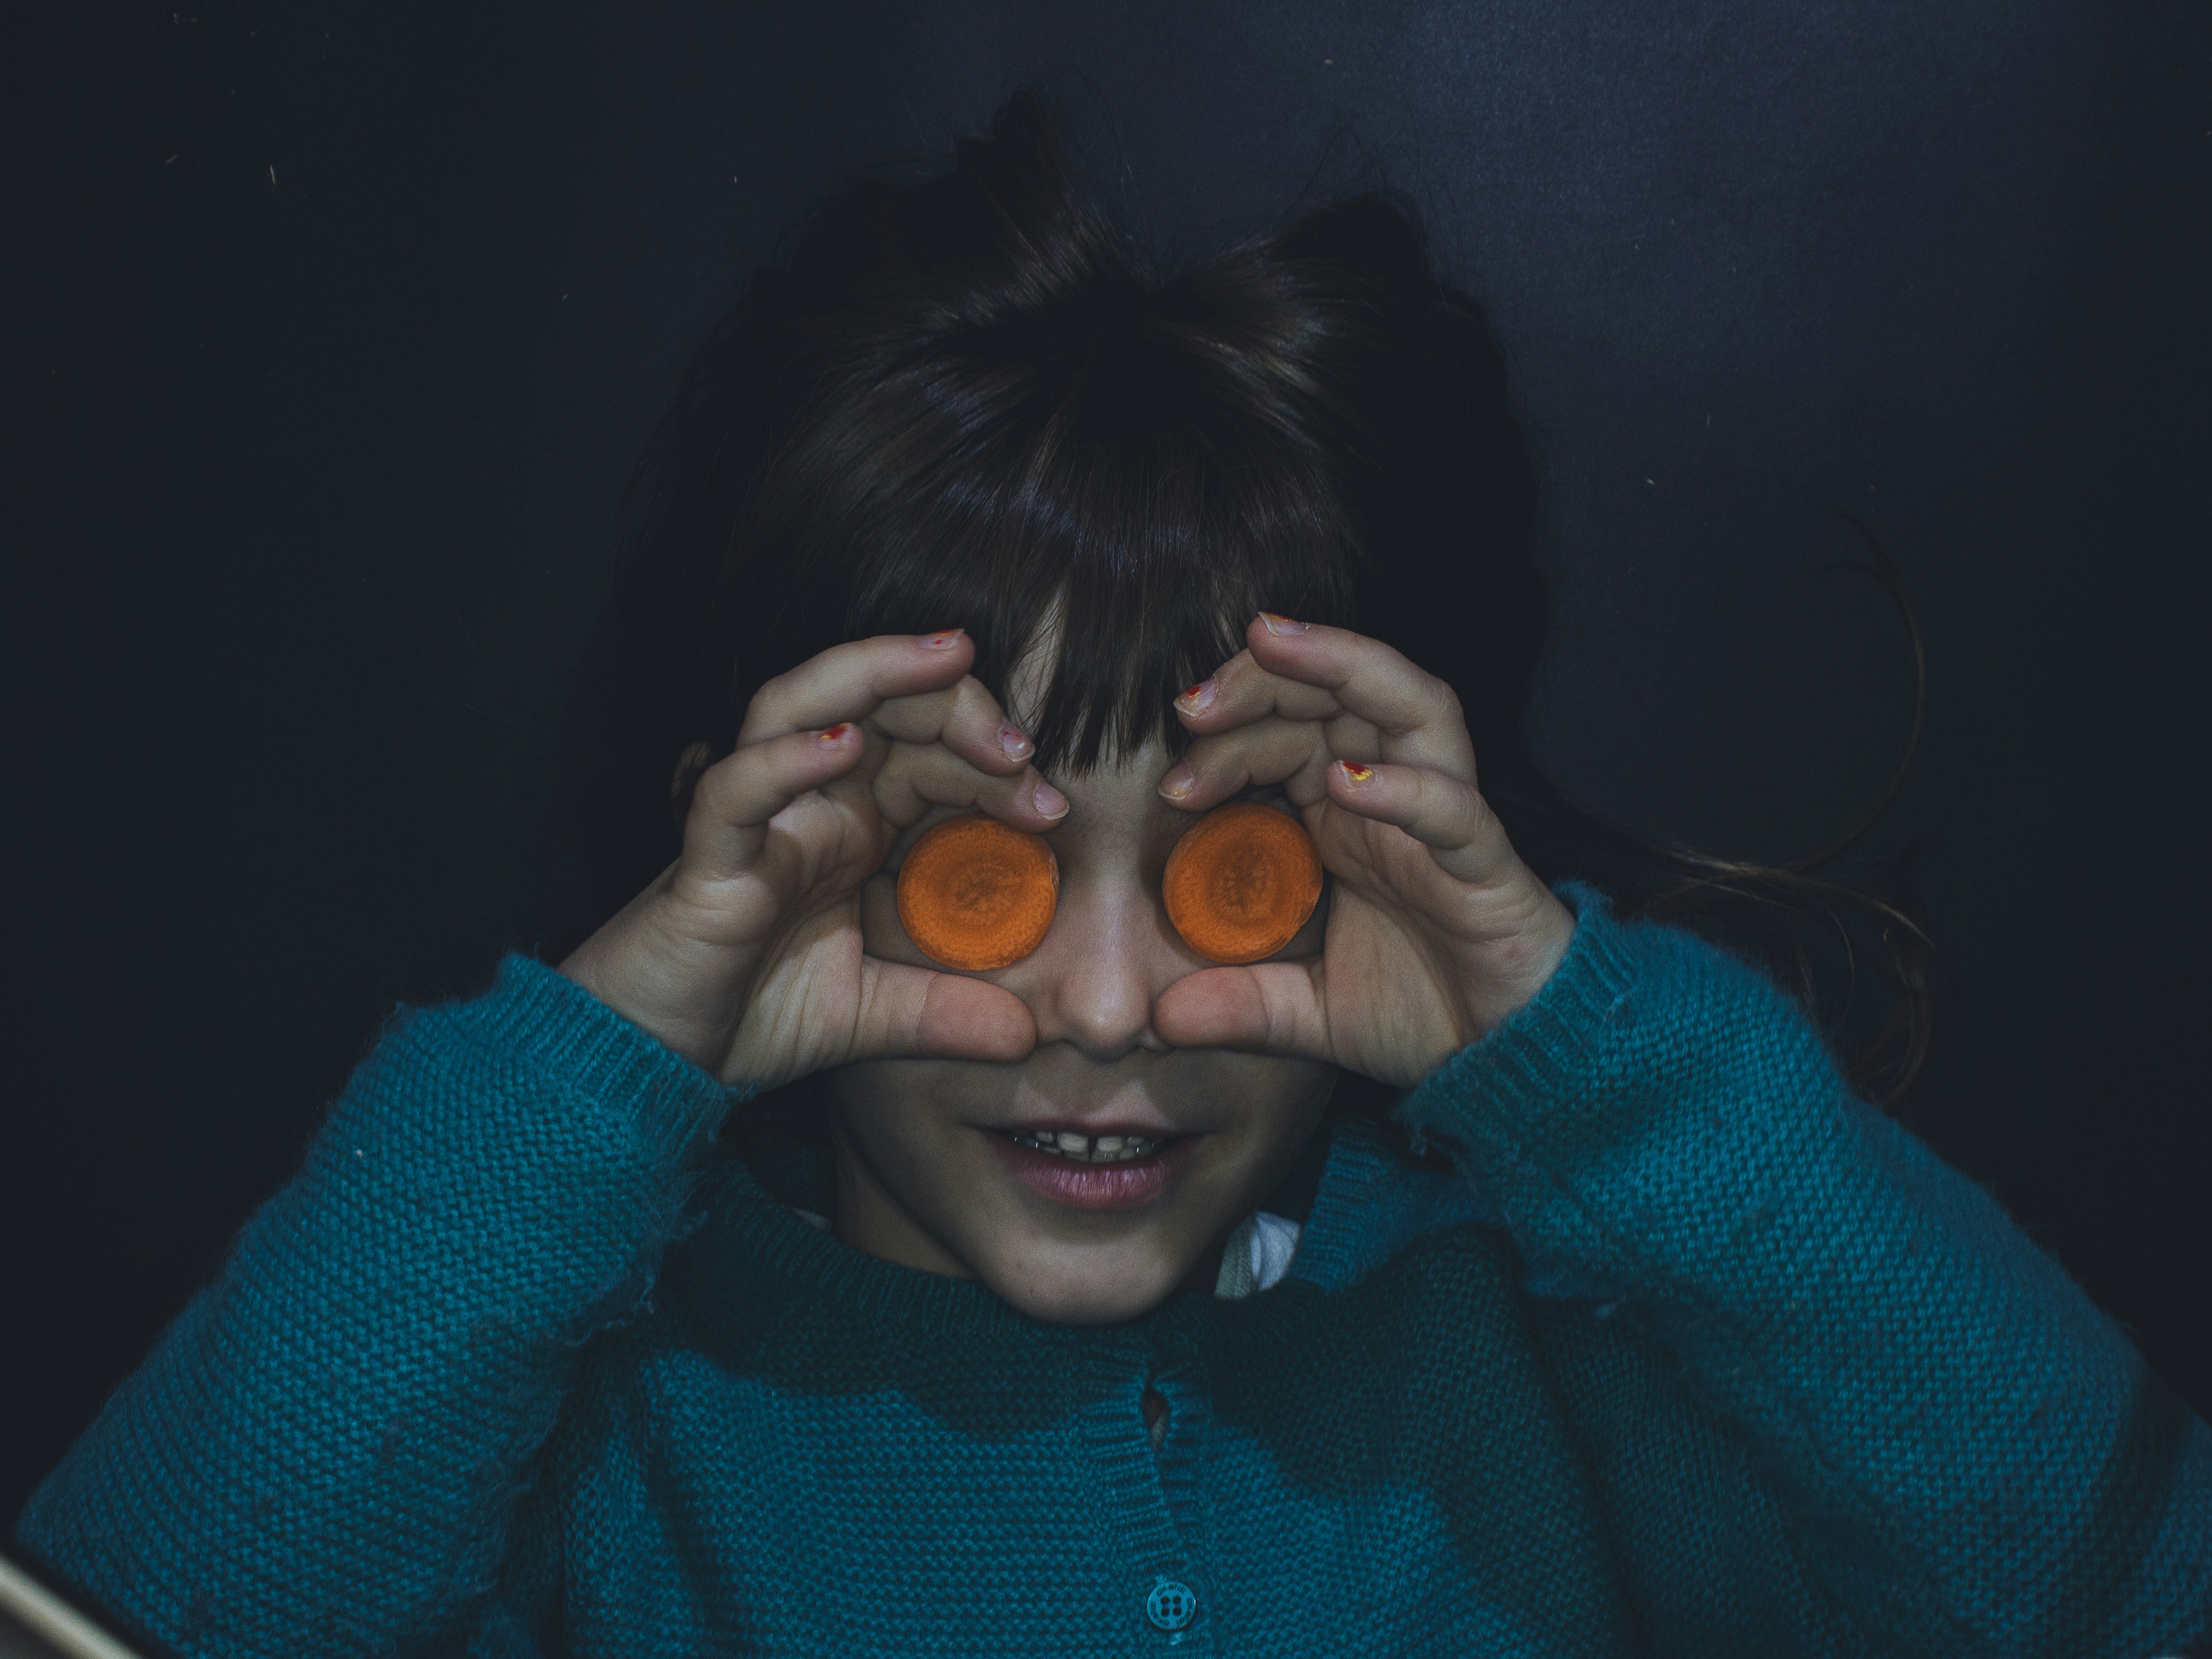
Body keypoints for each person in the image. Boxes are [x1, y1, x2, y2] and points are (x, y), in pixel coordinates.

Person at [14, 95, 2210, 1658]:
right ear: (759, 870)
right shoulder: (581, 1443)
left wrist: (1591, 1060)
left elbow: (2136, 1591)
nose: (1099, 1008)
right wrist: (589, 1072)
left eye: (1232, 872)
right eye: (976, 868)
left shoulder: (1549, 1377)